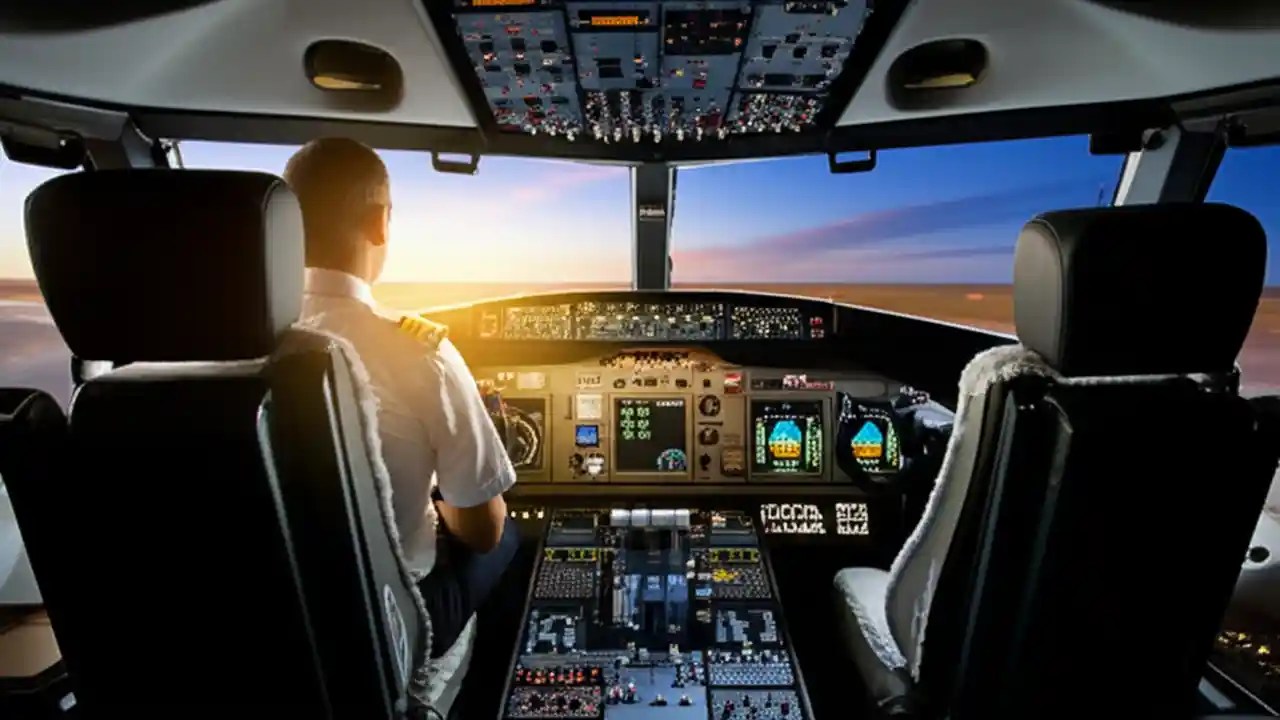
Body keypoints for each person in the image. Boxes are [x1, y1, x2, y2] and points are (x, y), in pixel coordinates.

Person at [282, 137, 519, 659]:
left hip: (278, 610)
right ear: (379, 222)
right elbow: (481, 531)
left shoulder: (220, 344)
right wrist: (437, 493)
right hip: (386, 622)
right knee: (507, 534)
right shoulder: (420, 352)